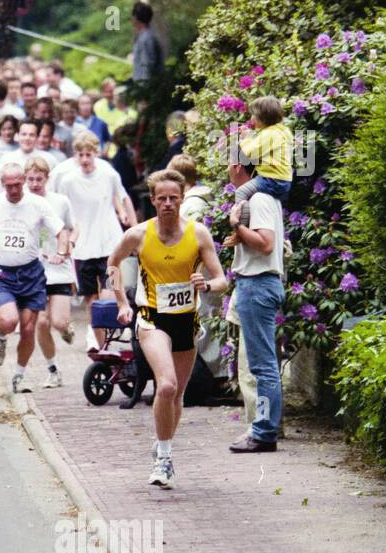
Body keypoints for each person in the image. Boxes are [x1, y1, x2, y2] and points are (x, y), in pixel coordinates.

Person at [108, 169, 228, 487]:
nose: (168, 204)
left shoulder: (198, 234)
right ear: (153, 200)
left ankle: (163, 443)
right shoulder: (139, 235)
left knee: (177, 398)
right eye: (161, 198)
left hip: (186, 320)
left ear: (182, 198)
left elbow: (222, 280)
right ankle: (164, 459)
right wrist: (121, 302)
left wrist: (208, 283)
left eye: (174, 198)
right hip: (151, 318)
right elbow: (112, 263)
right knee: (167, 386)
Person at [0, 163, 71, 392]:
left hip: (32, 273)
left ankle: (19, 376)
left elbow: (61, 231)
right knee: (9, 320)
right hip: (3, 272)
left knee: (28, 328)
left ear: (23, 180)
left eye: (17, 184)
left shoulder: (38, 204)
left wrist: (61, 252)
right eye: (8, 186)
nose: (13, 190)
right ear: (2, 184)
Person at [52, 132, 135, 350]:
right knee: (92, 300)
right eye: (81, 155)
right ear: (75, 155)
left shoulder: (108, 174)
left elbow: (120, 196)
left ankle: (115, 328)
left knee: (111, 293)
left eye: (89, 154)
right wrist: (64, 239)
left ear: (96, 153)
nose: (85, 159)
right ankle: (101, 344)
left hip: (109, 242)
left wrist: (126, 219)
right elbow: (62, 210)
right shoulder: (68, 180)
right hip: (82, 246)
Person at [225, 156, 285, 454]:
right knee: (263, 365)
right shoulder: (265, 198)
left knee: (262, 366)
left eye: (228, 163)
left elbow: (266, 244)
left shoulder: (259, 198)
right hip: (258, 283)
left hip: (257, 284)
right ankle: (263, 428)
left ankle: (263, 432)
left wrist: (237, 224)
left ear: (239, 166)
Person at [26, 156, 77, 388]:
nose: (35, 183)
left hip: (59, 269)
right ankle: (53, 370)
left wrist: (67, 247)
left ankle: (66, 327)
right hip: (35, 271)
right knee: (41, 322)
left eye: (39, 179)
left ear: (47, 179)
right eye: (30, 179)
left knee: (58, 321)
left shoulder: (60, 202)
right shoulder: (23, 204)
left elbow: (73, 228)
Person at [232, 96, 293, 227]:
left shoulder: (269, 134)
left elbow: (250, 152)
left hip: (272, 180)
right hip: (283, 180)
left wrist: (245, 140)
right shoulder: (281, 131)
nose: (251, 119)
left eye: (253, 115)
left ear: (263, 118)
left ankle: (239, 229)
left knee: (241, 193)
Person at [130, 3, 164, 84]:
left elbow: (147, 65)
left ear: (136, 18)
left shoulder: (146, 39)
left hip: (144, 86)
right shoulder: (143, 37)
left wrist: (144, 90)